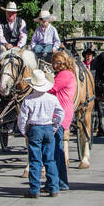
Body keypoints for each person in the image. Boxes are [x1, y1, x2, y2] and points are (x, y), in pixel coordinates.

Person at [16, 67, 64, 197]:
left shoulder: (29, 100)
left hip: (35, 128)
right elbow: (60, 113)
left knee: (35, 160)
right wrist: (55, 126)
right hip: (48, 127)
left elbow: (22, 118)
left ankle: (34, 189)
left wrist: (23, 130)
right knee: (50, 160)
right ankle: (54, 187)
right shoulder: (52, 99)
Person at [50, 49, 77, 191]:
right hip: (62, 111)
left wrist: (35, 87)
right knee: (56, 148)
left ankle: (59, 182)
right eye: (54, 63)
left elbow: (52, 88)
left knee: (55, 149)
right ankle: (61, 181)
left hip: (60, 113)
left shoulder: (65, 74)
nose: (55, 65)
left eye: (57, 63)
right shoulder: (66, 73)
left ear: (63, 62)